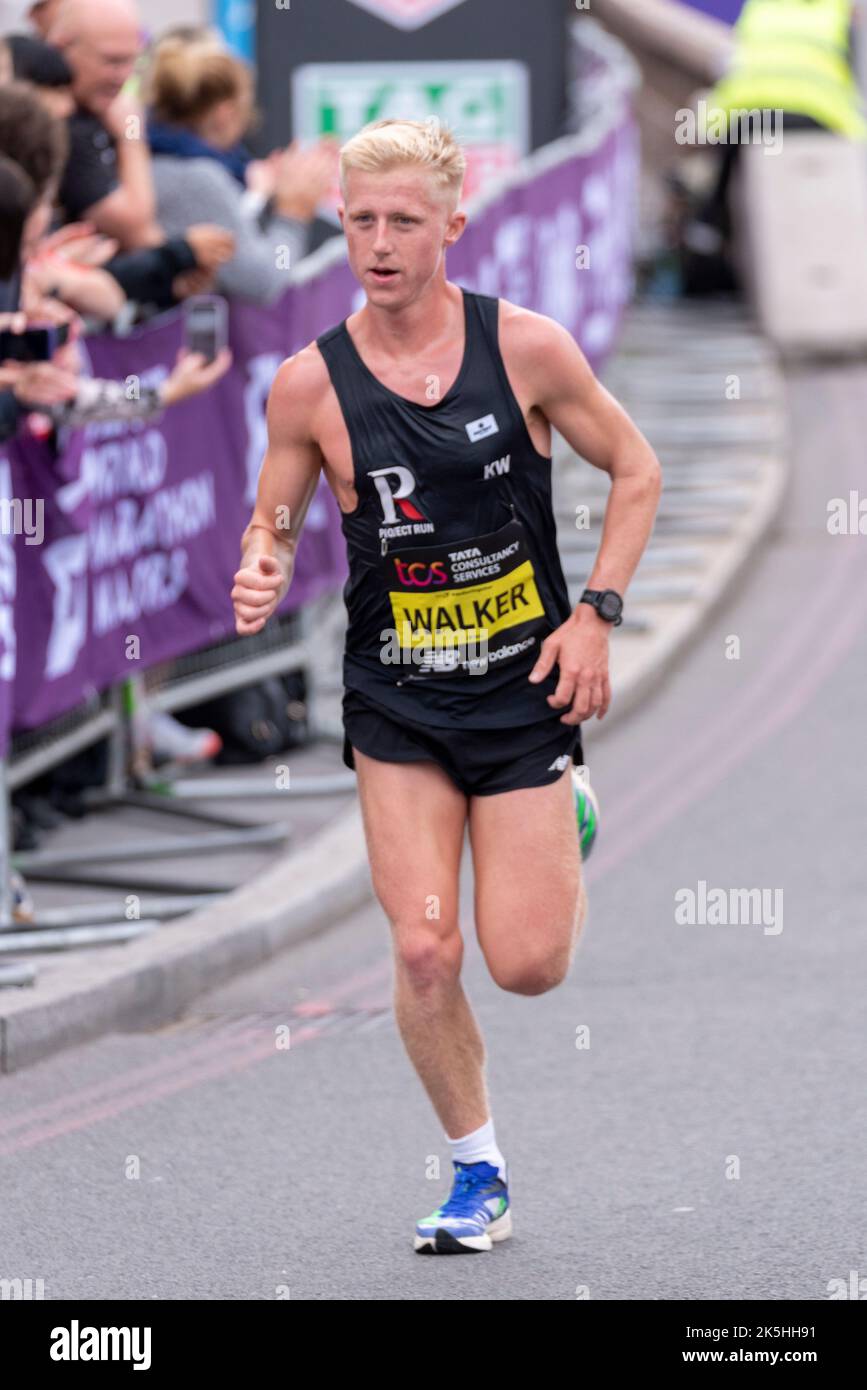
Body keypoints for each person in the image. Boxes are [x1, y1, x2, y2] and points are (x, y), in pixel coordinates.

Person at [233, 118, 662, 1254]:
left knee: (527, 966)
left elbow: (636, 470)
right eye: (360, 220)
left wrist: (596, 616)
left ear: (452, 226)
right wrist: (263, 559)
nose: (379, 243)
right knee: (426, 947)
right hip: (398, 700)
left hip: (523, 687)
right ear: (340, 223)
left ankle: (564, 811)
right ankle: (480, 1175)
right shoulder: (305, 387)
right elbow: (273, 516)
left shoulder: (525, 350)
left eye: (404, 222)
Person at [142, 29, 333, 303]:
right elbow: (264, 280)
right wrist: (293, 212)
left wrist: (256, 195)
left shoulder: (154, 156)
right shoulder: (198, 178)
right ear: (224, 114)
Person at [47, 0, 162, 249]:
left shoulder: (104, 110)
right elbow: (135, 225)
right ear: (63, 46)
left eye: (131, 61)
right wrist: (131, 138)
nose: (122, 76)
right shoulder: (66, 125)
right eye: (112, 61)